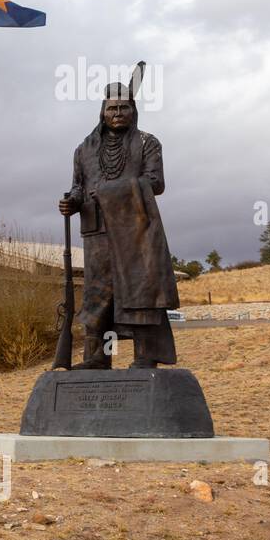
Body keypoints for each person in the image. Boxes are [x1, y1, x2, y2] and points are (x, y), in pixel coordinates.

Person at [58, 79, 179, 369]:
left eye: (124, 107)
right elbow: (78, 186)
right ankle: (98, 357)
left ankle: (145, 355)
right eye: (112, 108)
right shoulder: (84, 149)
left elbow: (156, 182)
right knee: (97, 295)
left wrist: (111, 192)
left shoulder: (148, 142)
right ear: (102, 112)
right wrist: (72, 202)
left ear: (133, 110)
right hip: (96, 231)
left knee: (140, 292)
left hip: (135, 229)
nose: (117, 113)